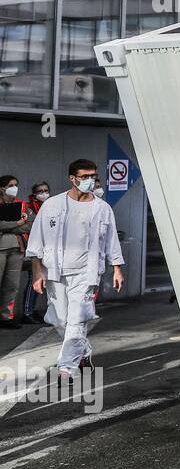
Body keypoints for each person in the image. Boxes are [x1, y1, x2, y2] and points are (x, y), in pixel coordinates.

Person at [25, 160, 125, 379]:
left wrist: (117, 268)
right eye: (85, 176)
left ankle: (66, 368)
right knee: (60, 319)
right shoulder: (52, 205)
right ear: (73, 178)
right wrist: (37, 271)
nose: (90, 181)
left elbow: (111, 241)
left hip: (87, 274)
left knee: (77, 319)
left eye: (93, 176)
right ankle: (83, 351)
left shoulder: (102, 208)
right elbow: (36, 242)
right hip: (55, 271)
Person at [0, 175, 32, 329]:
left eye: (16, 184)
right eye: (11, 185)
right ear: (2, 188)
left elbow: (29, 226)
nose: (15, 187)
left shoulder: (22, 204)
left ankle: (6, 317)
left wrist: (10, 225)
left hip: (17, 248)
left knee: (12, 285)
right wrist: (17, 223)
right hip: (1, 249)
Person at [19, 181, 49, 324]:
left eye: (46, 190)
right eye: (40, 191)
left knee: (41, 281)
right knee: (34, 280)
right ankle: (27, 311)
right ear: (34, 193)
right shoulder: (28, 208)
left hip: (47, 249)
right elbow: (24, 227)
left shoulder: (51, 206)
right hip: (32, 249)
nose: (44, 193)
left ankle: (31, 309)